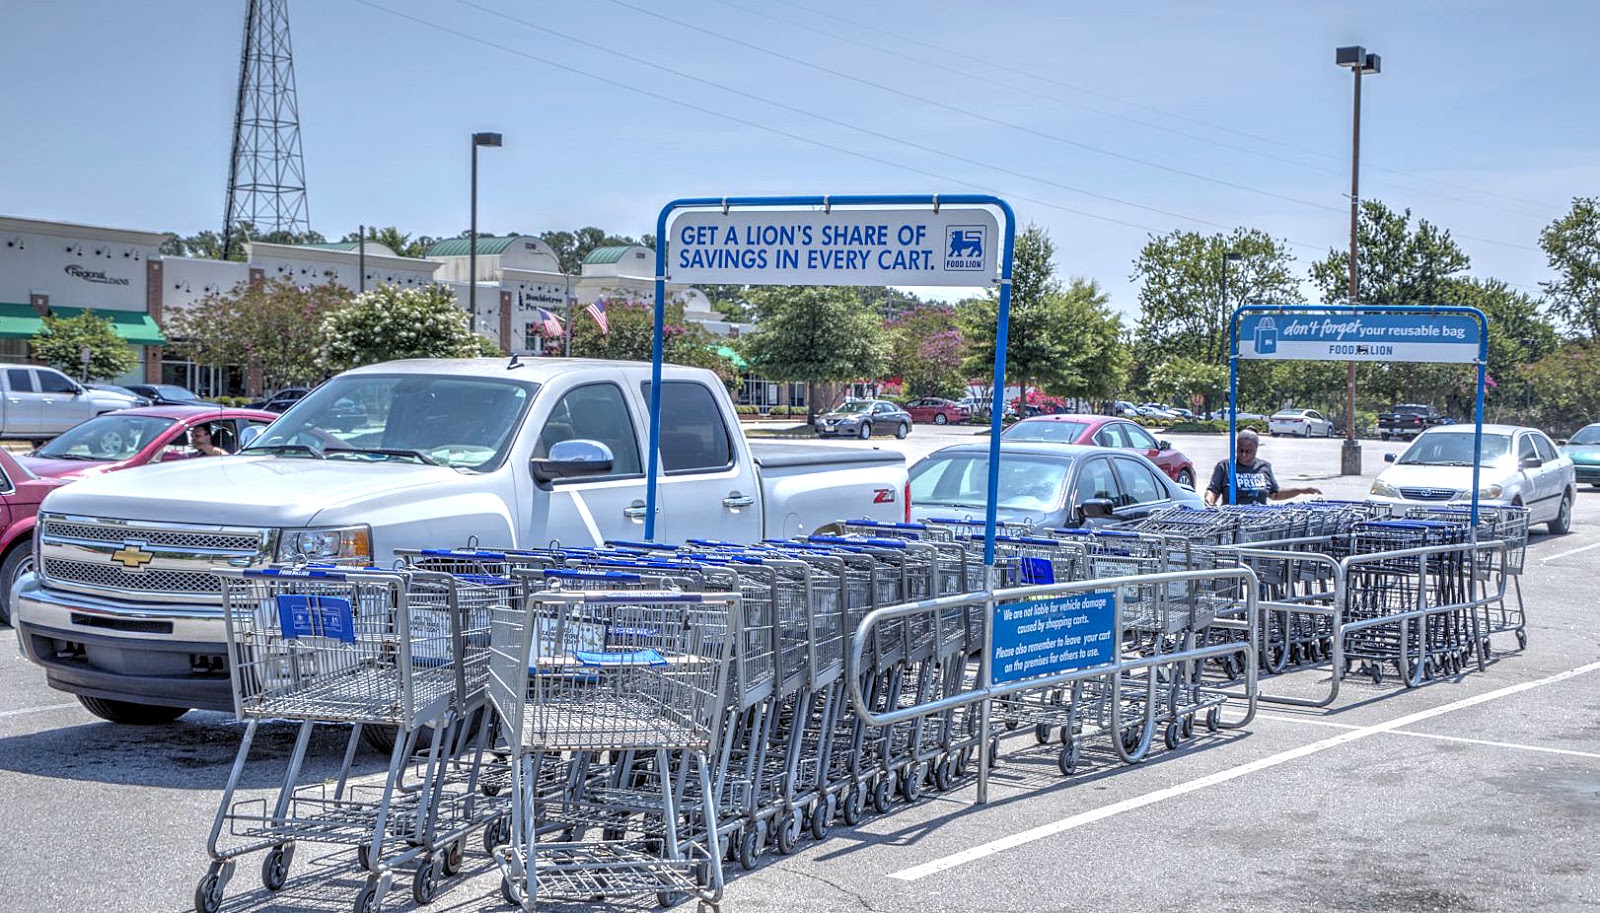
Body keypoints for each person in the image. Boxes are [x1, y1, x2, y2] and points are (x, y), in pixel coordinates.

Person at [1203, 428, 1320, 506]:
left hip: (1258, 522)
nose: (1243, 455)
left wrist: (1301, 490)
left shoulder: (1264, 467)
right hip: (1231, 523)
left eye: (1248, 451)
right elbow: (1213, 490)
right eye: (1240, 450)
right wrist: (1209, 502)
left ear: (1256, 450)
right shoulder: (1225, 466)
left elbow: (1275, 493)